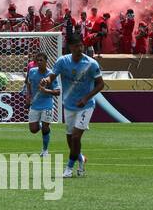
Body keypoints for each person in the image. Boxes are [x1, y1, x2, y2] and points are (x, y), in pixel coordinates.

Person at [40, 34, 104, 179]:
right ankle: (81, 160)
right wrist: (46, 80)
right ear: (70, 47)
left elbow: (101, 84)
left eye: (81, 45)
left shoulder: (91, 63)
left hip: (86, 105)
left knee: (75, 137)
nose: (79, 48)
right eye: (76, 46)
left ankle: (69, 168)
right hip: (69, 105)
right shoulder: (63, 61)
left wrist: (86, 98)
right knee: (70, 138)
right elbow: (52, 75)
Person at [26, 51, 55, 156]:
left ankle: (45, 150)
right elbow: (28, 83)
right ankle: (42, 125)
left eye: (41, 60)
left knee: (45, 129)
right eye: (37, 60)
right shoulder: (32, 72)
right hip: (35, 104)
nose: (39, 62)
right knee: (33, 130)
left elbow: (58, 91)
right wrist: (28, 96)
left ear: (46, 61)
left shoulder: (51, 74)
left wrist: (45, 90)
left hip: (47, 104)